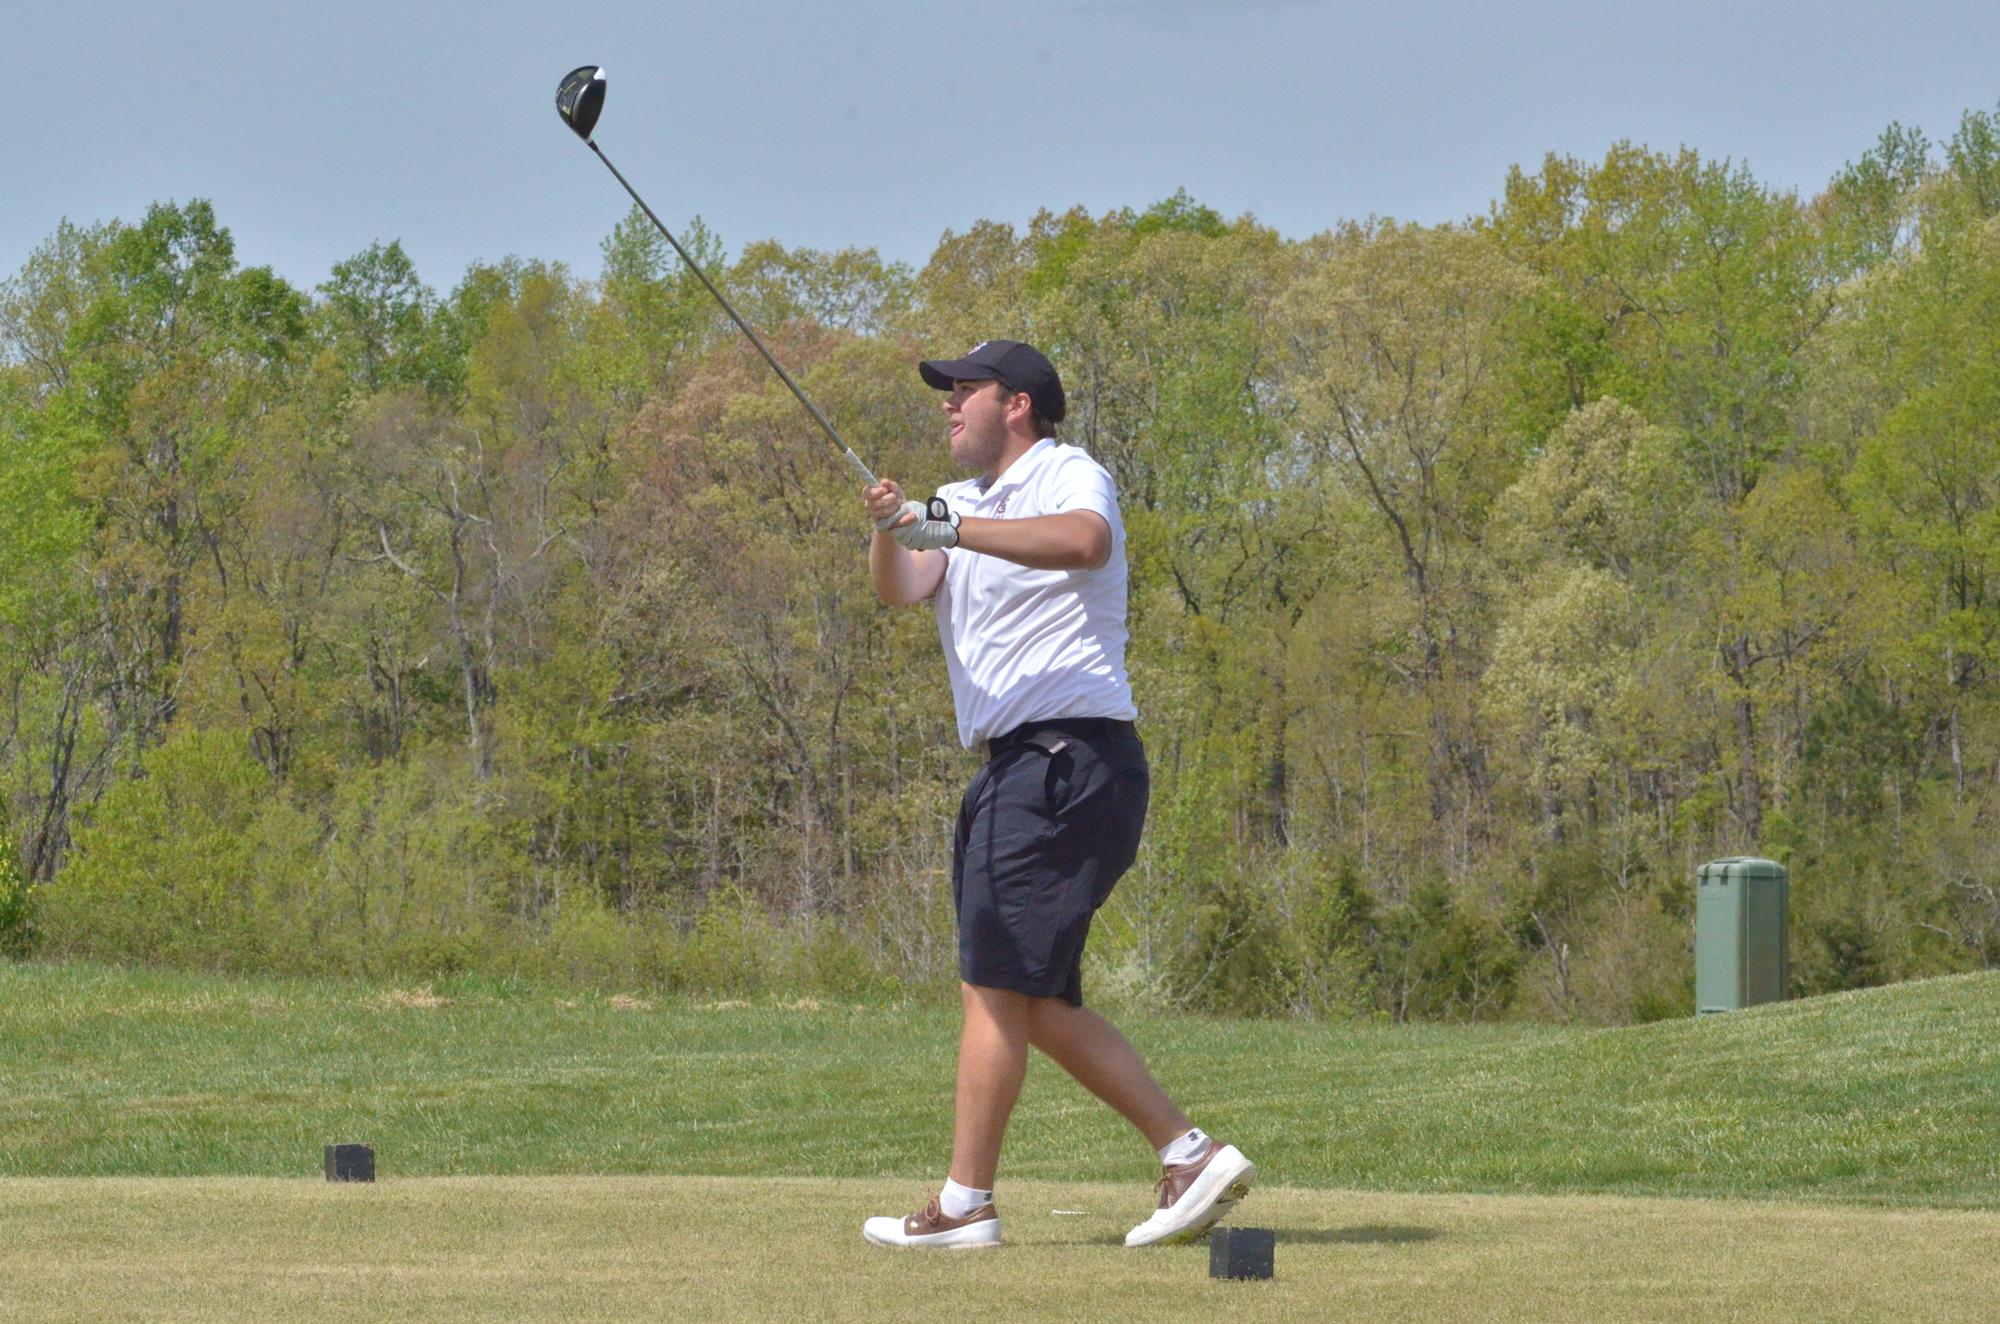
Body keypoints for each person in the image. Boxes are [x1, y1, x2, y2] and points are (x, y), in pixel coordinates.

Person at [858, 339, 1253, 1250]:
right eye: (946, 394)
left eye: (966, 391)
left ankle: (966, 1205)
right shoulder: (955, 504)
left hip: (1067, 760)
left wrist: (943, 526)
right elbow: (901, 591)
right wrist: (895, 528)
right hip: (1018, 769)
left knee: (995, 986)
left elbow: (1084, 543)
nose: (949, 406)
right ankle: (1188, 1154)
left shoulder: (1069, 473)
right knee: (1030, 999)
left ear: (1020, 404)